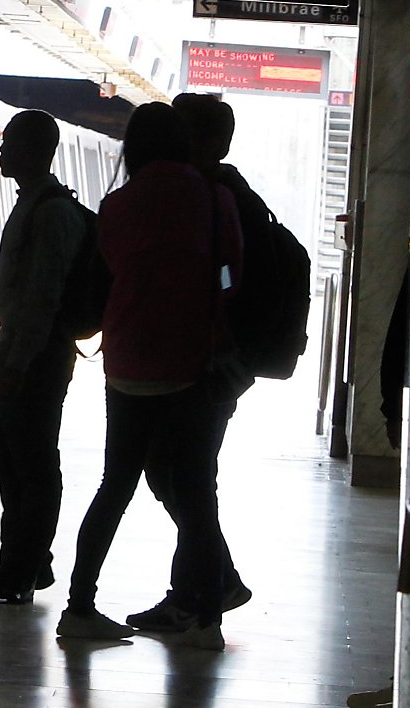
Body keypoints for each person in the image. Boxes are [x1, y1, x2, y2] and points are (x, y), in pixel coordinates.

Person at [57, 101, 242, 650]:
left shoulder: (117, 204)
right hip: (190, 366)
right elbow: (231, 270)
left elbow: (111, 267)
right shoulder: (212, 198)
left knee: (115, 485)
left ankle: (80, 606)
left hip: (128, 363)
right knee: (195, 495)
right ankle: (207, 618)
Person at [130, 93, 260, 630]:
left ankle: (205, 592)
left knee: (183, 479)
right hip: (207, 360)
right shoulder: (221, 193)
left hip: (207, 366)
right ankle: (203, 587)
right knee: (184, 477)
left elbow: (232, 275)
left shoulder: (218, 196)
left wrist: (211, 304)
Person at [0, 110, 93, 603]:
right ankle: (23, 560)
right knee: (9, 452)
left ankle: (23, 566)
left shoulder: (51, 212)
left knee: (33, 462)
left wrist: (16, 364)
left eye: (11, 143)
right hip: (23, 350)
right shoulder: (34, 204)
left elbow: (41, 299)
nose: (2, 152)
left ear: (36, 150)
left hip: (40, 357)